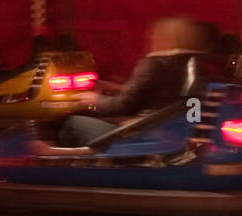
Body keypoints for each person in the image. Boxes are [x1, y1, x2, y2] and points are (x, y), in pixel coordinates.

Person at [43, 16, 215, 151]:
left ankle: (68, 171)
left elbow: (123, 106)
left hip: (144, 136)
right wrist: (119, 88)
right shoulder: (196, 65)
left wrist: (95, 100)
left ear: (167, 38)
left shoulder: (155, 63)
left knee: (71, 123)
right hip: (173, 133)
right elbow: (164, 95)